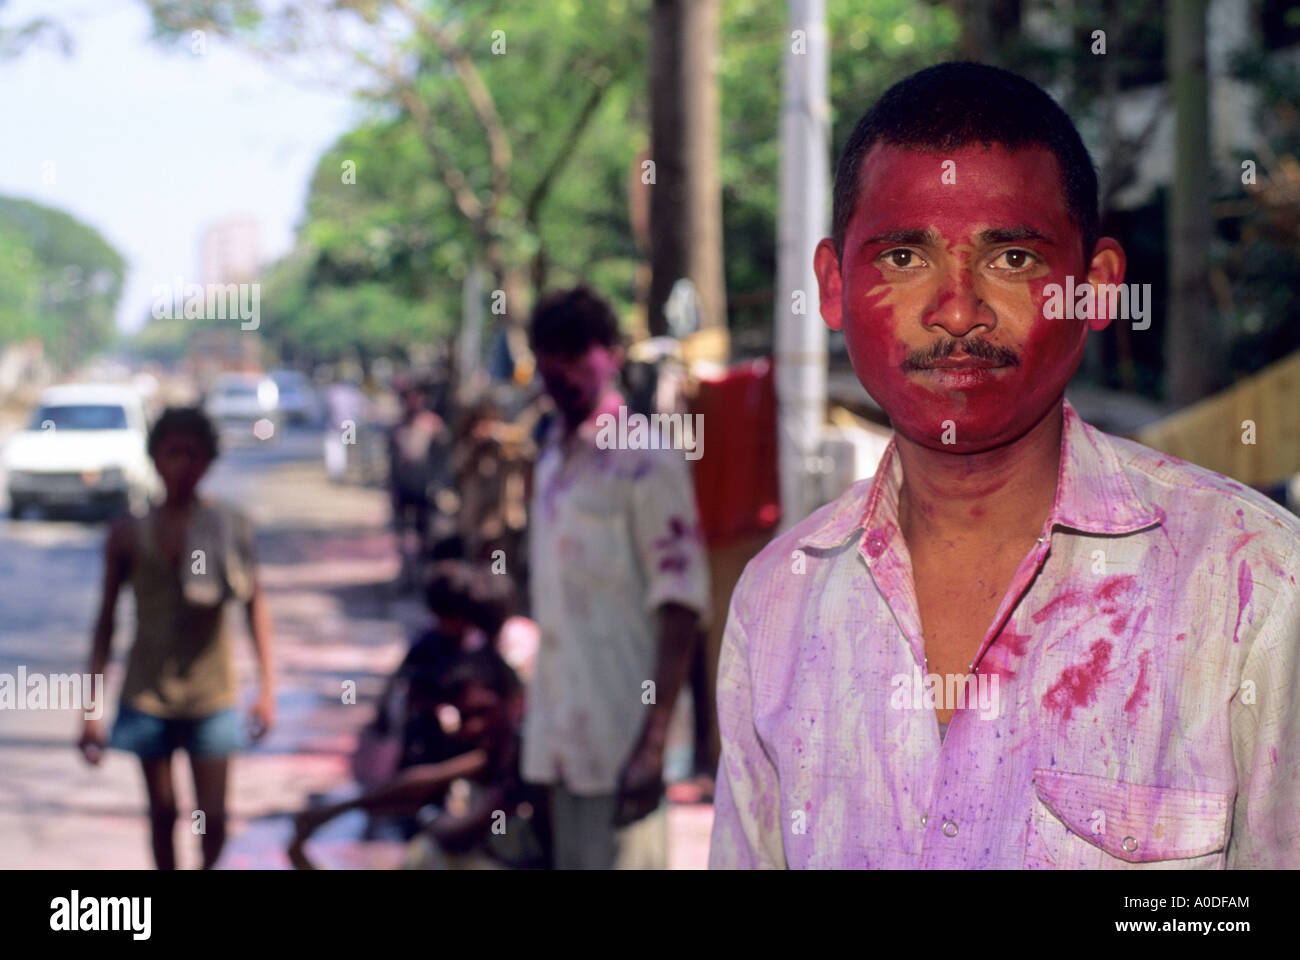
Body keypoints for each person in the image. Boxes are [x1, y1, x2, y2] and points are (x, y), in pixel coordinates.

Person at [710, 61, 1300, 870]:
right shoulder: (778, 605)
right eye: (903, 258)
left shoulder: (1256, 588)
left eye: (1013, 259)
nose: (957, 310)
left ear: (1094, 289)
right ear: (834, 284)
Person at [523, 286, 711, 869]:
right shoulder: (551, 463)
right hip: (558, 740)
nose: (564, 368)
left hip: (623, 740)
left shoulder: (645, 460)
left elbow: (682, 606)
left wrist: (653, 744)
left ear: (611, 354)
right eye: (551, 352)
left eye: (579, 351)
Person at [80, 407, 276, 869]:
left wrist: (267, 690)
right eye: (172, 453)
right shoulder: (127, 532)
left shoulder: (230, 525)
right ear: (154, 458)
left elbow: (255, 606)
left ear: (208, 461)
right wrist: (90, 708)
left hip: (212, 692)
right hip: (148, 693)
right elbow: (105, 622)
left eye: (192, 455)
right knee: (163, 812)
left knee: (213, 815)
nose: (182, 465)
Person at [290, 650, 551, 870]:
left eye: (483, 712)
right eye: (465, 716)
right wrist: (337, 810)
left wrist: (431, 821)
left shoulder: (525, 753)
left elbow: (456, 834)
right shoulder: (493, 752)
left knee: (428, 855)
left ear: (516, 702)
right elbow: (428, 779)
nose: (472, 727)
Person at [388, 381, 445, 589]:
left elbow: (442, 459)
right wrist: (392, 489)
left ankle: (425, 576)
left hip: (426, 489)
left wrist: (439, 485)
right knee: (403, 534)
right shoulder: (397, 427)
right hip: (404, 488)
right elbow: (392, 462)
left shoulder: (433, 425)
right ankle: (407, 575)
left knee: (425, 535)